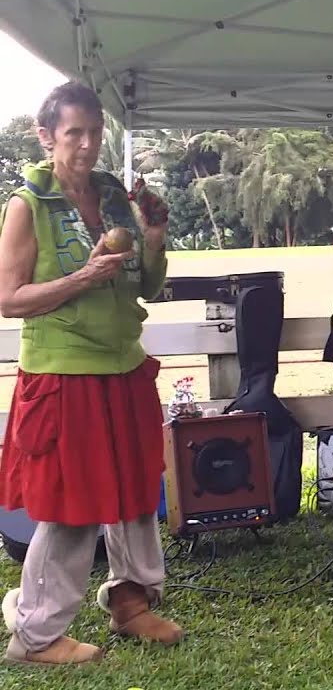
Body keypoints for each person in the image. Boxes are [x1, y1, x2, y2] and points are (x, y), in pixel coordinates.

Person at [0, 81, 183, 665]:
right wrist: (83, 277)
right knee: (71, 504)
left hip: (123, 363)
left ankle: (132, 602)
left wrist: (153, 235)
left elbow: (146, 284)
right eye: (73, 133)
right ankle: (35, 635)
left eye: (95, 132)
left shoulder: (113, 197)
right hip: (64, 372)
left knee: (135, 489)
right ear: (46, 136)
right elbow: (9, 299)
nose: (86, 144)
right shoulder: (27, 204)